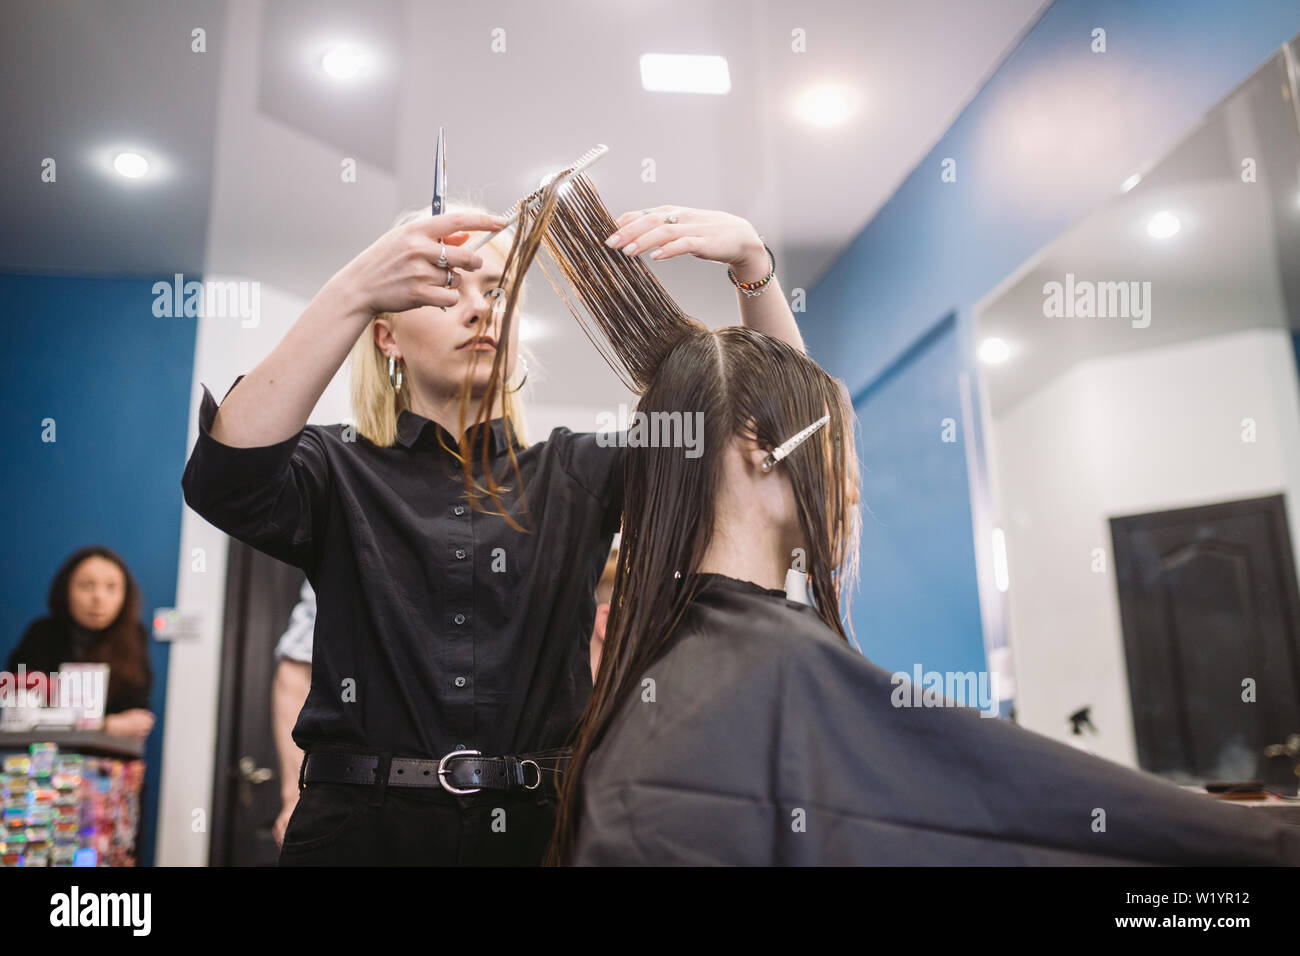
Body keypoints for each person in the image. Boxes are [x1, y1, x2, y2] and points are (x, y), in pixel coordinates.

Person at [182, 197, 802, 865]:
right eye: (447, 288)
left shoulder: (580, 470)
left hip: (540, 836)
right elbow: (226, 476)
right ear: (385, 336)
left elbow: (776, 451)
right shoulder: (334, 470)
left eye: (498, 290)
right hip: (358, 839)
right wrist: (355, 290)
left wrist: (753, 267)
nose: (481, 308)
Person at [551, 325, 1300, 866]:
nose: (851, 485)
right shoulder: (770, 668)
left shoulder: (658, 681)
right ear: (758, 444)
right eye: (840, 449)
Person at [6, 546, 155, 739]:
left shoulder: (134, 637)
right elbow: (19, 710)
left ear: (125, 596)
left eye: (111, 587)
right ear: (65, 589)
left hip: (111, 756)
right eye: (86, 586)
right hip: (44, 752)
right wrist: (105, 725)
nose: (98, 598)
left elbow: (138, 718)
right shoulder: (42, 633)